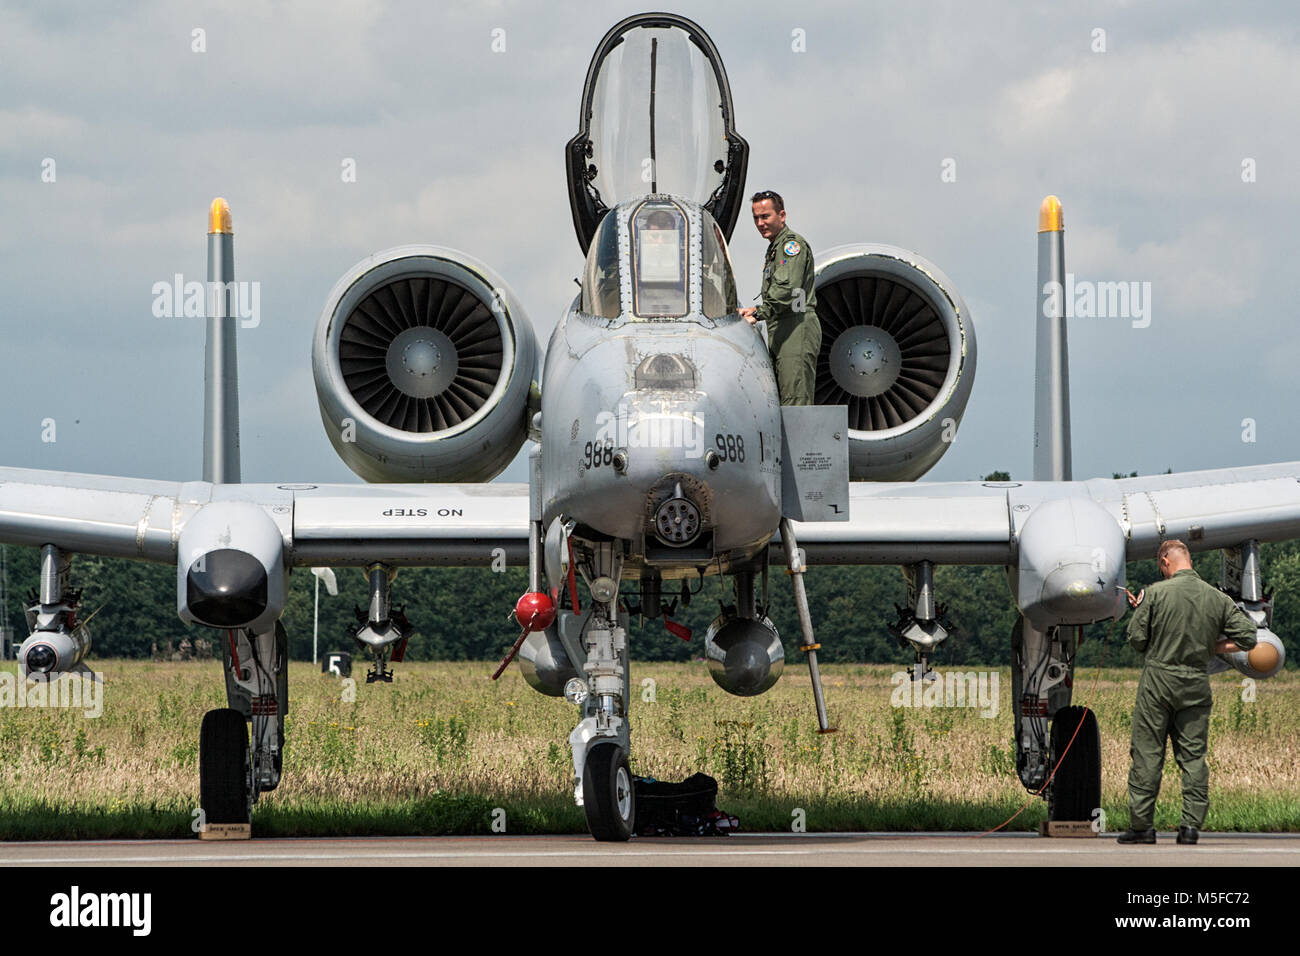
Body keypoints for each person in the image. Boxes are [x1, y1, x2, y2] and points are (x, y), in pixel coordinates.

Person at [1116, 539, 1258, 845]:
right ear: (1188, 559)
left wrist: (1141, 611)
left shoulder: (1154, 593)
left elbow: (1138, 641)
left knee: (1148, 755)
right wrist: (1213, 646)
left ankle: (1142, 828)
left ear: (1165, 561)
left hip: (1158, 682)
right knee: (1193, 758)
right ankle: (1191, 827)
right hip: (1196, 681)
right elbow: (1248, 638)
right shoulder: (1216, 599)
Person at [739, 191, 820, 405]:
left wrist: (758, 313)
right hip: (782, 328)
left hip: (795, 328)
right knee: (784, 399)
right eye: (756, 218)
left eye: (766, 216)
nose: (760, 223)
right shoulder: (774, 249)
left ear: (781, 215)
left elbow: (786, 290)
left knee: (795, 402)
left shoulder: (791, 246)